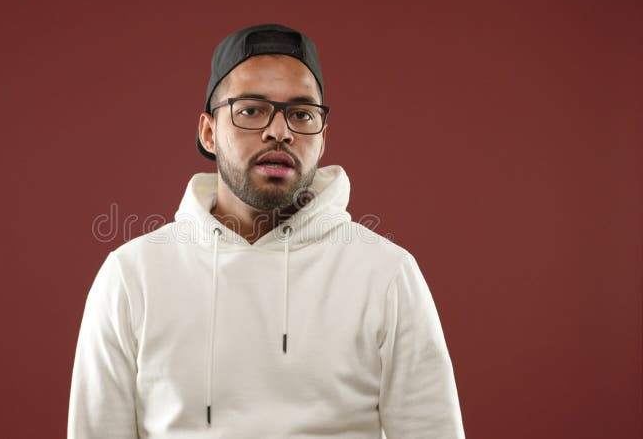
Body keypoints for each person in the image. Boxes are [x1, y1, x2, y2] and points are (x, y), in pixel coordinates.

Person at [67, 23, 465, 438]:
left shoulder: (386, 274)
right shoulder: (132, 276)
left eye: (301, 114)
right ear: (209, 132)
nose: (280, 131)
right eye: (251, 110)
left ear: (322, 138)